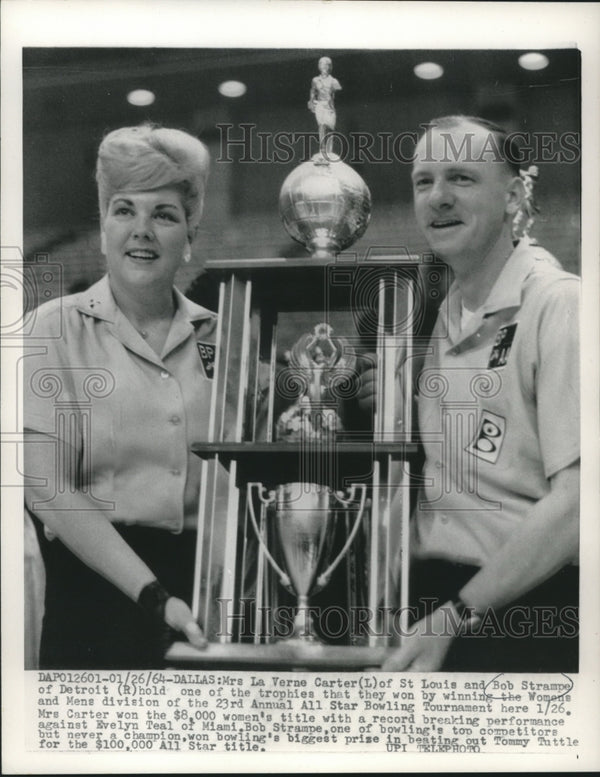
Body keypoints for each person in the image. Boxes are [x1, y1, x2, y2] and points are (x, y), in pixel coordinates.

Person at [367, 115, 580, 672]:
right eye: (423, 181)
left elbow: (579, 503)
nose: (437, 198)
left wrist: (458, 614)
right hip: (432, 600)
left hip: (523, 610)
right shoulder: (446, 311)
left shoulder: (561, 305)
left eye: (460, 178)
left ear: (512, 196)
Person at [24, 123, 216, 668]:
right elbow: (46, 490)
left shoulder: (228, 339)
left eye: (164, 215)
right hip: (95, 605)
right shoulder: (50, 330)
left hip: (204, 606)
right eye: (124, 210)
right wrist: (155, 596)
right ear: (104, 226)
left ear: (190, 233)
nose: (142, 231)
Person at [308, 56, 342, 157]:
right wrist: (311, 102)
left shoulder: (334, 81)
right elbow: (312, 92)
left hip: (329, 106)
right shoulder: (315, 80)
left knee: (329, 128)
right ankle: (322, 150)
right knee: (322, 125)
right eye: (322, 64)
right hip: (320, 105)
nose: (324, 66)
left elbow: (338, 93)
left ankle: (329, 151)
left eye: (326, 64)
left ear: (329, 67)